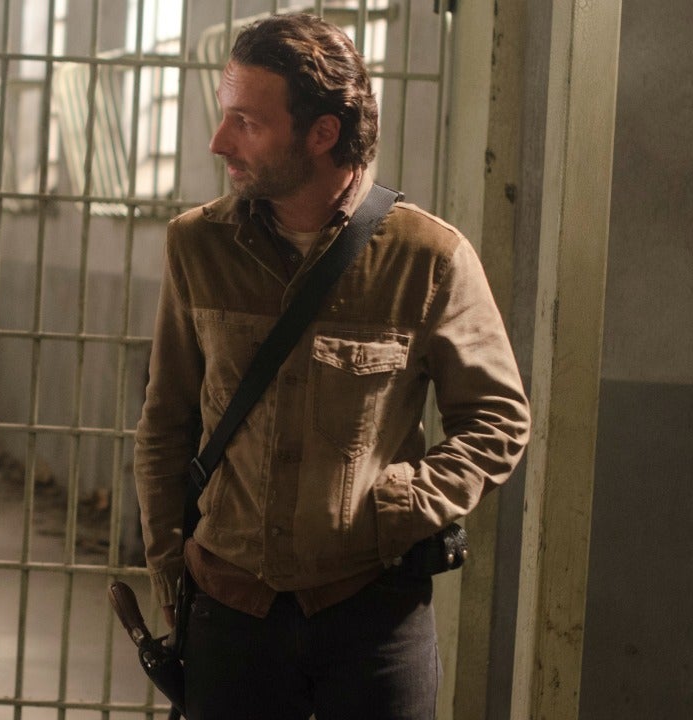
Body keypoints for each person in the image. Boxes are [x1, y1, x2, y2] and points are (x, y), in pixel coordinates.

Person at [134, 13, 531, 720]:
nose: (219, 141)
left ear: (321, 133)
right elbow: (166, 420)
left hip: (372, 613)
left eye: (246, 122)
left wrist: (406, 505)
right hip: (230, 607)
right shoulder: (197, 245)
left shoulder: (428, 257)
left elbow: (497, 419)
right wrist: (169, 567)